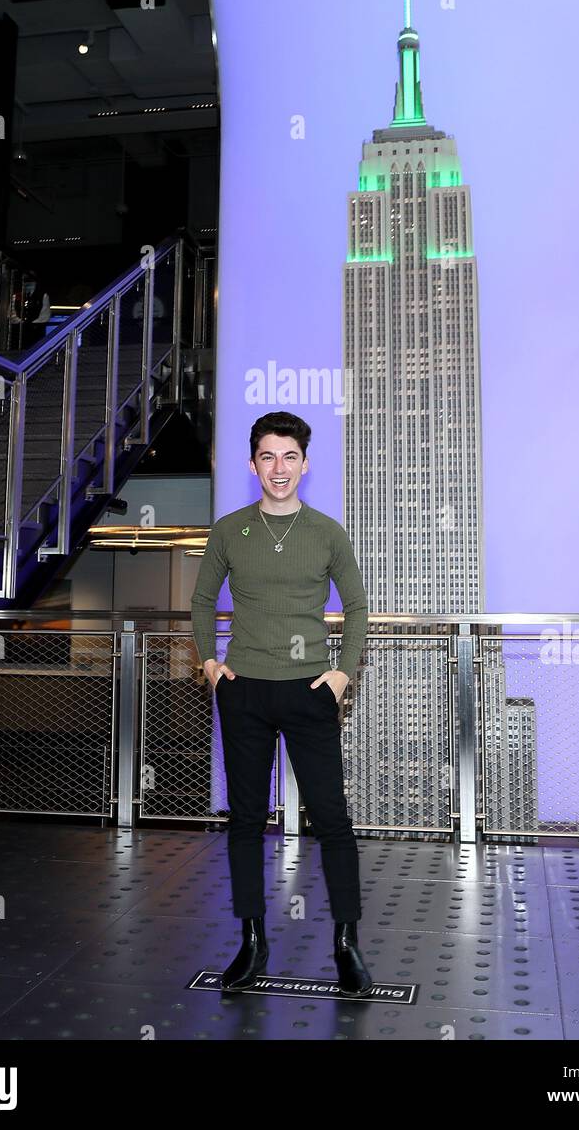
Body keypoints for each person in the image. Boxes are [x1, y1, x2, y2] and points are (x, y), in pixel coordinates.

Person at [191, 410, 373, 997]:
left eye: (289, 457)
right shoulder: (229, 530)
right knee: (244, 822)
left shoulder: (326, 531)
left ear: (305, 463)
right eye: (268, 457)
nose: (279, 468)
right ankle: (251, 941)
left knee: (334, 821)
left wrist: (343, 675)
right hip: (243, 693)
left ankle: (345, 944)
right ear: (252, 464)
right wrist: (213, 667)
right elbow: (199, 603)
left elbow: (358, 608)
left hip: (310, 693)